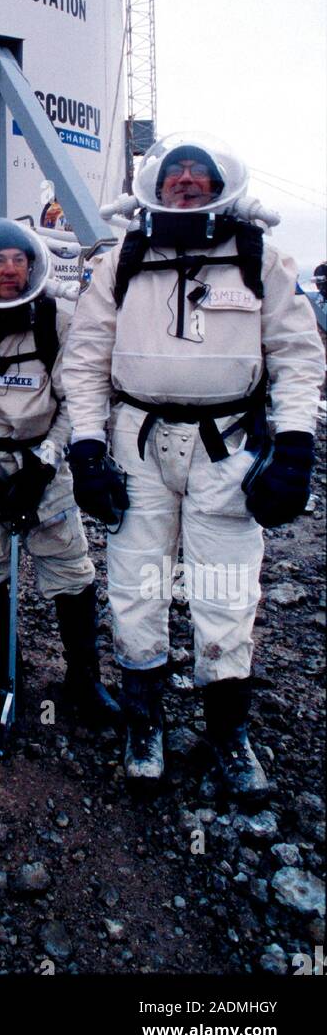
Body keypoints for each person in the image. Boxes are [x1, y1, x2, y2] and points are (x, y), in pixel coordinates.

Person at [63, 134, 324, 797]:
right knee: (136, 585)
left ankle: (227, 733)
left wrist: (295, 445)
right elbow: (87, 360)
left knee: (228, 590)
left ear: (219, 186)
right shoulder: (121, 259)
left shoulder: (258, 256)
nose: (184, 180)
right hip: (137, 444)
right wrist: (87, 448)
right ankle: (144, 724)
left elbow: (297, 355)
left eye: (197, 173)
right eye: (174, 171)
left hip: (227, 449)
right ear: (155, 184)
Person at [0, 218, 120, 726]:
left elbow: (77, 396)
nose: (10, 270)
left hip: (45, 467)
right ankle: (4, 672)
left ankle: (83, 678)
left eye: (19, 259)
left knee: (72, 571)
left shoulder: (57, 321)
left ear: (32, 265)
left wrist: (45, 460)